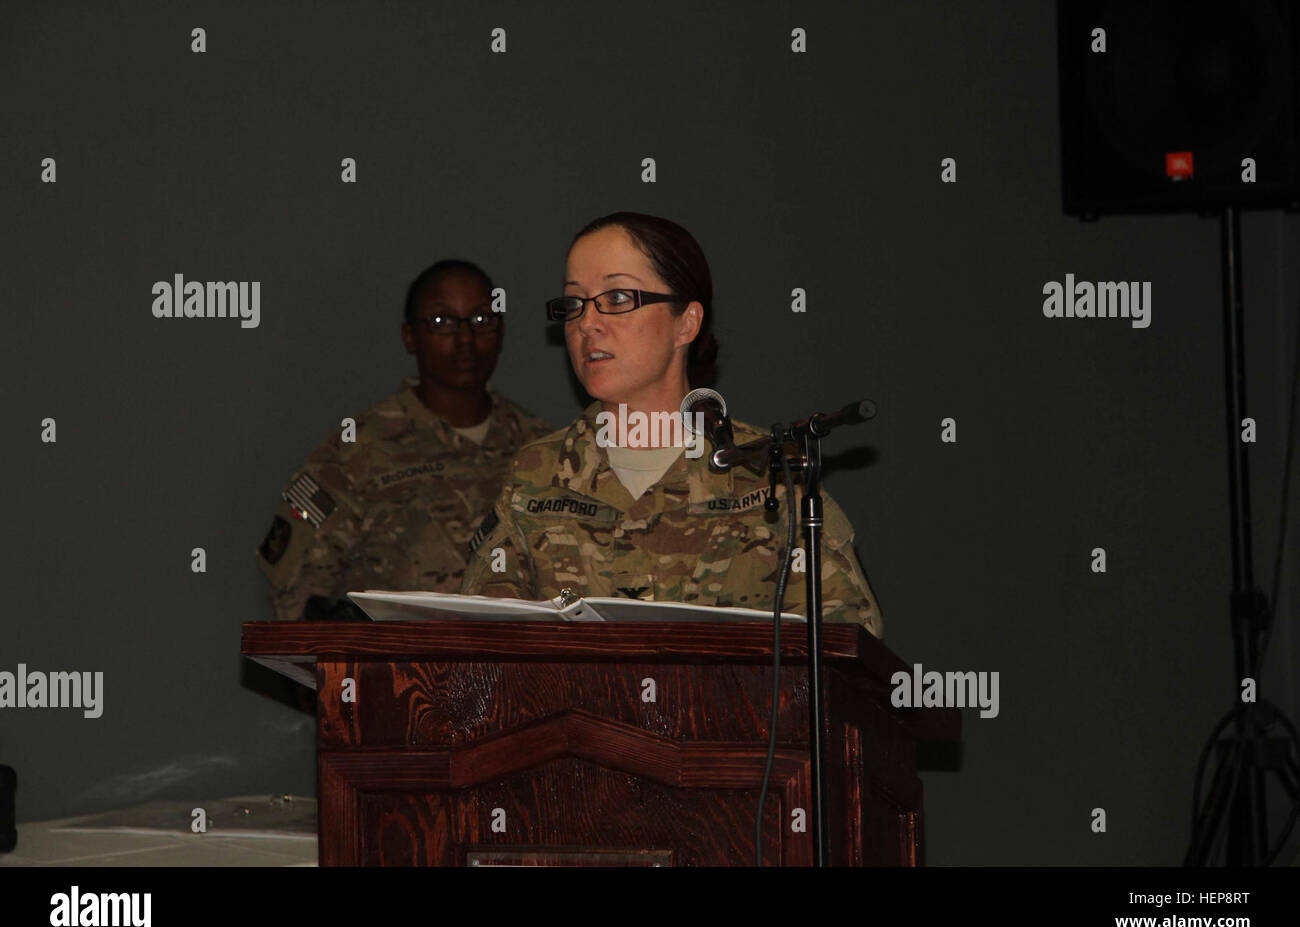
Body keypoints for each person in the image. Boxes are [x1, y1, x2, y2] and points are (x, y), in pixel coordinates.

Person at [460, 213, 883, 638]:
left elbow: (845, 648)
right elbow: (477, 643)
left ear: (687, 323)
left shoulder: (767, 471)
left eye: (619, 297)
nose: (586, 323)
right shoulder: (535, 474)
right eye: (574, 303)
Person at [257, 259, 551, 620]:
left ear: (502, 331)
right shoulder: (354, 453)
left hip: (520, 670)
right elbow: (297, 593)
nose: (465, 339)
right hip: (397, 670)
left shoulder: (542, 450)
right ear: (410, 336)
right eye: (442, 322)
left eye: (481, 320)